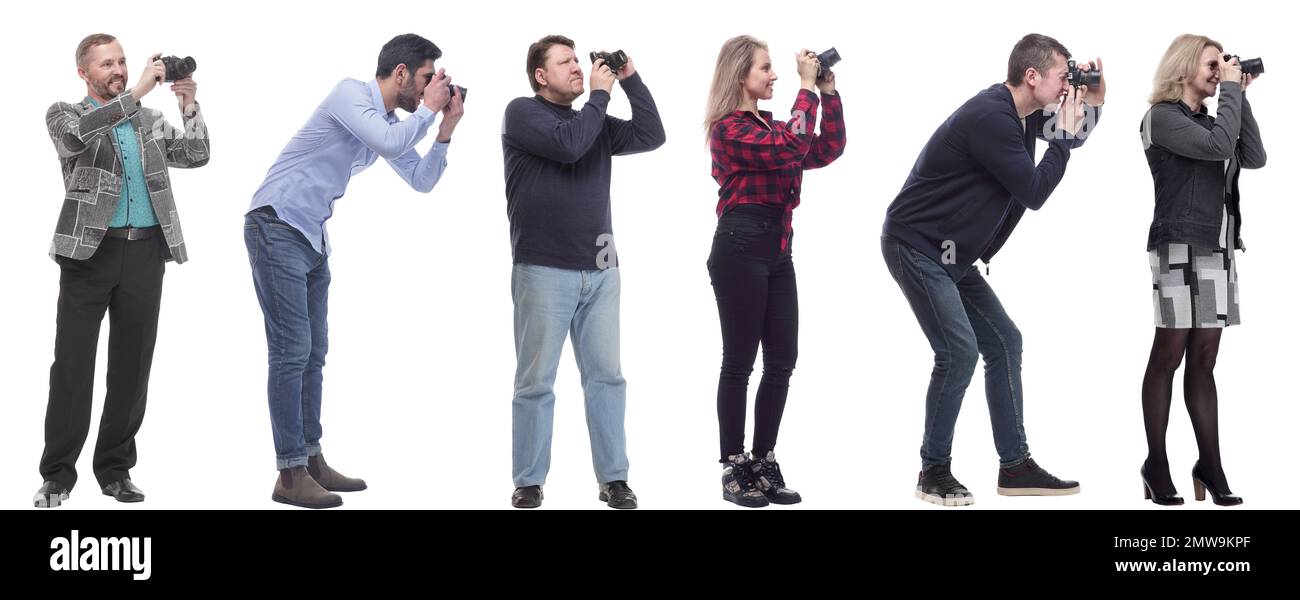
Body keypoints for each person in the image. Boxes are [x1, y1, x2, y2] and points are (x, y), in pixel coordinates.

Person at [880, 34, 1102, 506]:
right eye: (1064, 77)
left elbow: (1071, 135)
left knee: (1004, 341)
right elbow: (1035, 191)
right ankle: (933, 471)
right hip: (915, 245)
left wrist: (1093, 104)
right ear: (1032, 76)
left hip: (950, 254)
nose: (1068, 86)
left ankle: (1015, 467)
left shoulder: (1019, 114)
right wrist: (1062, 139)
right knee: (958, 351)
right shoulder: (992, 116)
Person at [245, 33, 464, 509]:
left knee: (315, 353)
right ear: (401, 73)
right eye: (427, 78)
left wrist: (445, 128)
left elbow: (422, 180)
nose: (432, 88)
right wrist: (427, 112)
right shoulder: (350, 94)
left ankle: (311, 460)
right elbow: (389, 141)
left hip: (312, 238)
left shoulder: (387, 122)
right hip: (275, 223)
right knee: (291, 351)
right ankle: (289, 473)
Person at [37, 33, 210, 508]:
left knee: (132, 369)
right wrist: (134, 94)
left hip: (145, 252)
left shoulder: (150, 121)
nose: (117, 70)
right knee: (73, 367)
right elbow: (76, 138)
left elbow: (195, 155)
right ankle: (57, 475)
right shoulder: (65, 114)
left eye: (121, 62)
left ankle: (115, 470)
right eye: (106, 64)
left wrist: (189, 105)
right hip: (88, 255)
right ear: (84, 73)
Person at [501, 35, 666, 509]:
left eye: (579, 60)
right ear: (540, 75)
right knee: (536, 381)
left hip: (601, 266)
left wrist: (629, 79)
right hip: (542, 268)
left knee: (607, 378)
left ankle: (614, 478)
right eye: (566, 62)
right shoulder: (522, 113)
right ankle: (529, 481)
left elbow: (651, 134)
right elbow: (570, 147)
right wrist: (599, 94)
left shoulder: (590, 119)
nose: (577, 67)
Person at [702, 35, 845, 508]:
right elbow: (788, 149)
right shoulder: (729, 129)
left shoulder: (776, 127)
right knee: (739, 362)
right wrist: (806, 87)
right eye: (765, 68)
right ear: (740, 74)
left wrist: (827, 91)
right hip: (741, 246)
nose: (774, 75)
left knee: (782, 359)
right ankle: (733, 465)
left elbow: (826, 148)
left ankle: (763, 461)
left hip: (779, 249)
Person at [1138, 34, 1265, 507]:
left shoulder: (1215, 118)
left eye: (1222, 65)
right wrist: (1231, 91)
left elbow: (1253, 156)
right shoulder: (1162, 119)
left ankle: (1209, 465)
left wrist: (1240, 95)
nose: (1219, 71)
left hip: (1216, 247)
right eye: (1212, 64)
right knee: (1169, 355)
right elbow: (1216, 148)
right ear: (1185, 66)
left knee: (1205, 361)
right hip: (1177, 245)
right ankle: (1156, 464)